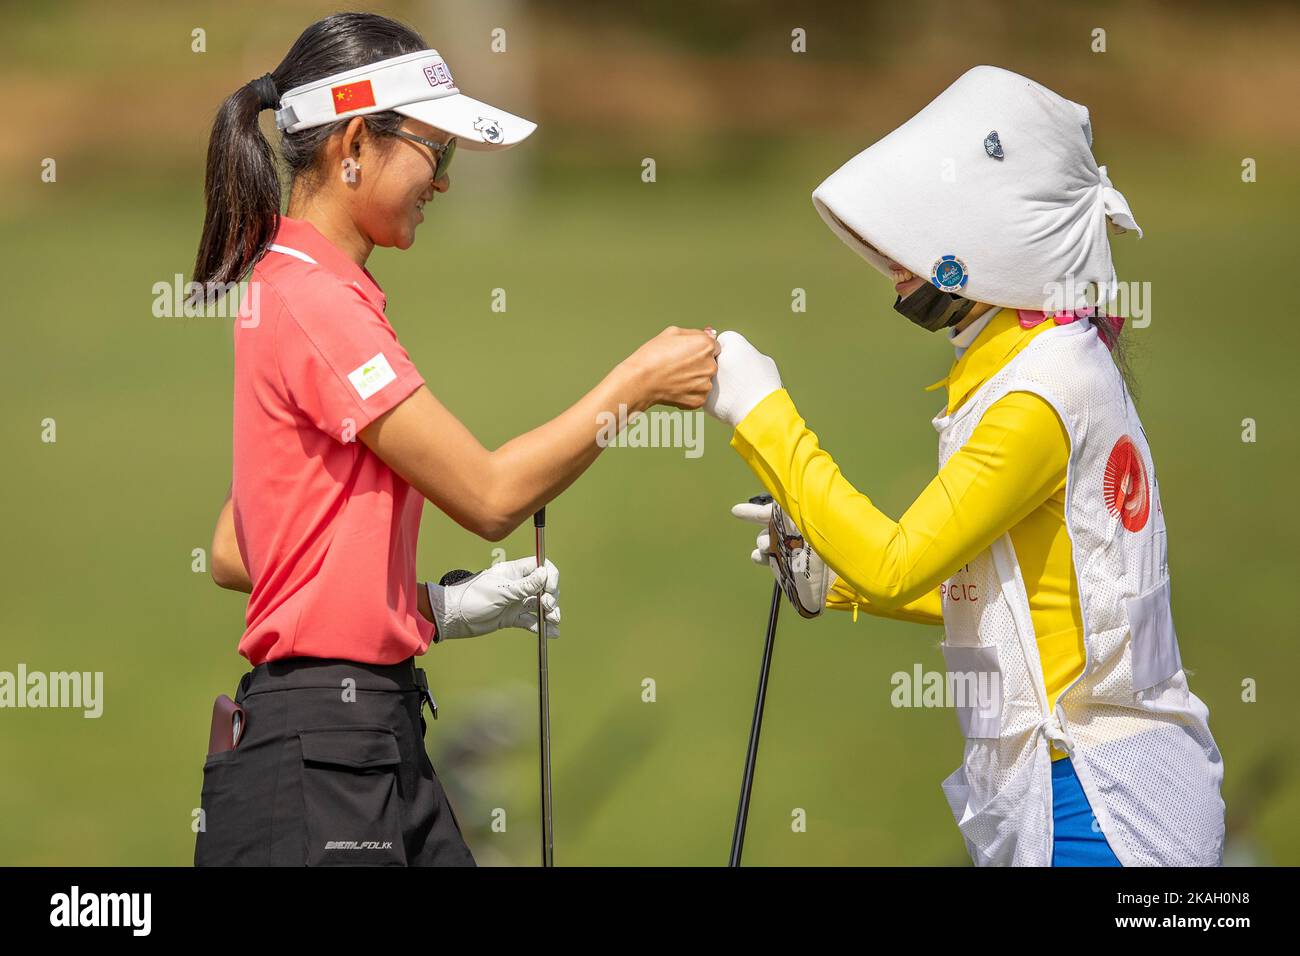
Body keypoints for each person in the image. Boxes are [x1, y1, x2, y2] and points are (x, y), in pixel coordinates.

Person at [193, 12, 718, 867]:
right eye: (435, 152)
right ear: (354, 142)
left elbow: (237, 550)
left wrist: (429, 607)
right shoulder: (320, 303)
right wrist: (639, 384)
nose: (442, 181)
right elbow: (490, 496)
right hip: (322, 759)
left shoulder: (300, 282)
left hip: (365, 738)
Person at [704, 66, 1224, 866]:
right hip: (1090, 790)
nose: (893, 260)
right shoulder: (1050, 360)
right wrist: (827, 577)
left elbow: (895, 561)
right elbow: (1008, 595)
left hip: (1098, 808)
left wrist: (762, 411)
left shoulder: (1040, 394)